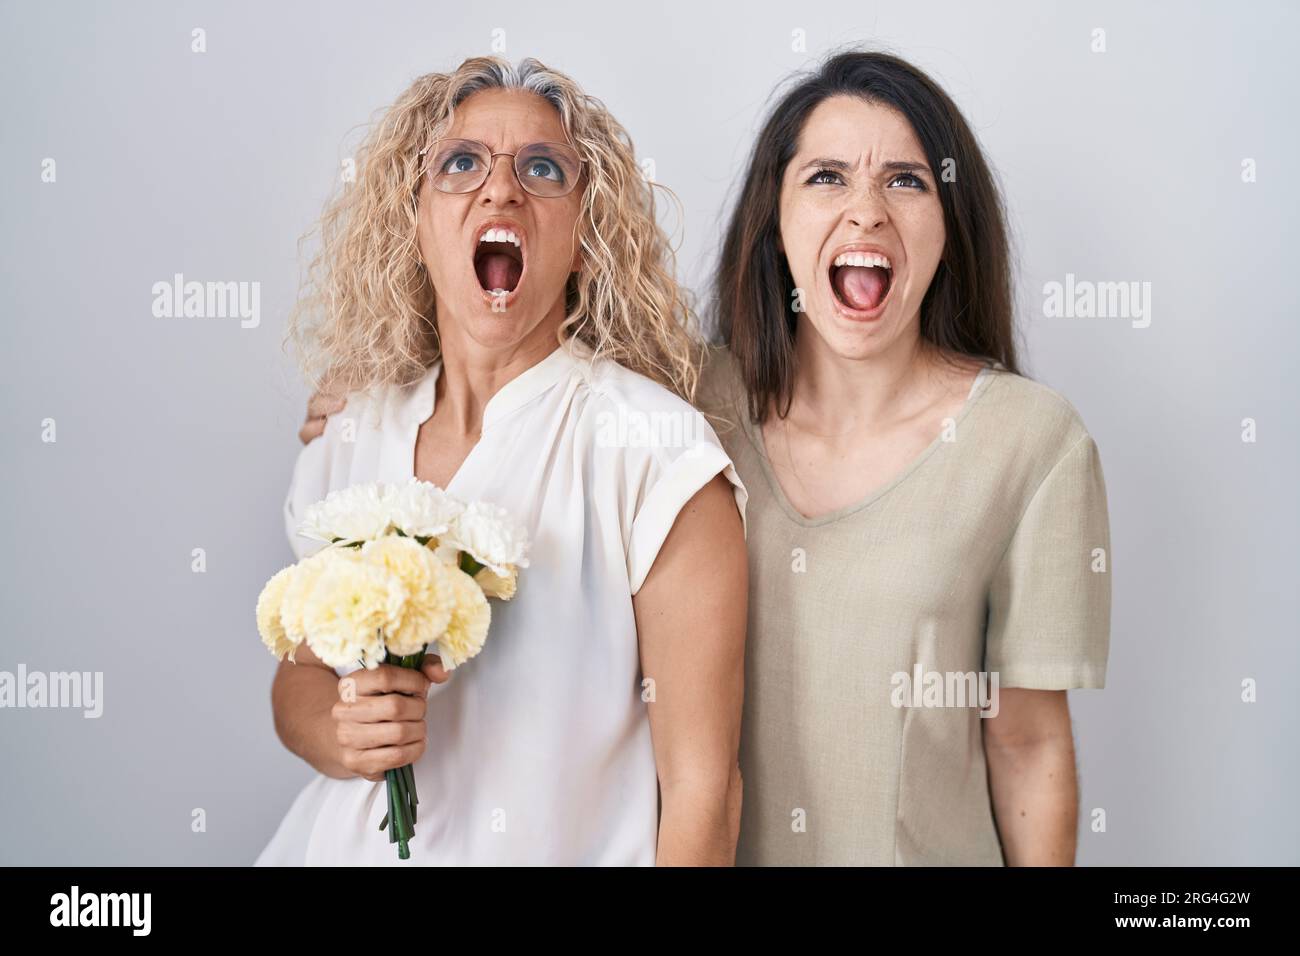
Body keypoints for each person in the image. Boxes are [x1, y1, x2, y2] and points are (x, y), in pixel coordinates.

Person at [302, 50, 1112, 867]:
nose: (866, 212)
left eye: (906, 180)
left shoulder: (1028, 443)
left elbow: (1032, 749)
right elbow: (529, 366)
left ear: (951, 223)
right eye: (826, 177)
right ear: (776, 220)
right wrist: (368, 398)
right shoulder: (691, 398)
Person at [259, 55, 748, 866]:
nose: (500, 190)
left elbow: (703, 789)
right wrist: (343, 731)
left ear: (587, 239)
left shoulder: (656, 453)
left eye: (542, 168)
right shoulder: (350, 435)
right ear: (412, 225)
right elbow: (296, 681)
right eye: (460, 164)